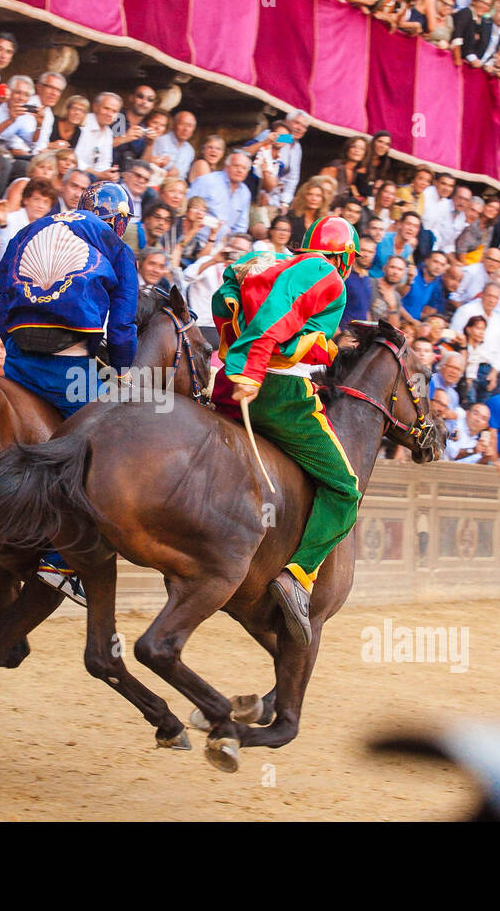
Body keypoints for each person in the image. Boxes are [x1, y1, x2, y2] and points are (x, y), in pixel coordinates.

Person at [210, 214, 362, 647]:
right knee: (346, 489)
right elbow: (279, 315)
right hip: (277, 393)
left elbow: (226, 292)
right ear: (343, 257)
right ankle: (297, 575)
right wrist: (253, 368)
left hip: (226, 384)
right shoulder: (325, 272)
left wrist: (236, 361)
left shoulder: (265, 260)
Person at [0, 180, 139, 600]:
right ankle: (59, 559)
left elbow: (3, 297)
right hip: (69, 364)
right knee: (106, 452)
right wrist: (124, 372)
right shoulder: (115, 245)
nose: (122, 228)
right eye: (123, 222)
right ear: (116, 218)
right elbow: (124, 326)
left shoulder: (29, 230)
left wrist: (11, 346)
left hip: (19, 358)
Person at [186, 150, 252, 234]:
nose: (240, 170)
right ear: (226, 166)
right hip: (197, 238)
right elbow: (187, 208)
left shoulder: (245, 193)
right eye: (236, 166)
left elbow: (241, 225)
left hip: (222, 244)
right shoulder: (207, 181)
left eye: (244, 168)